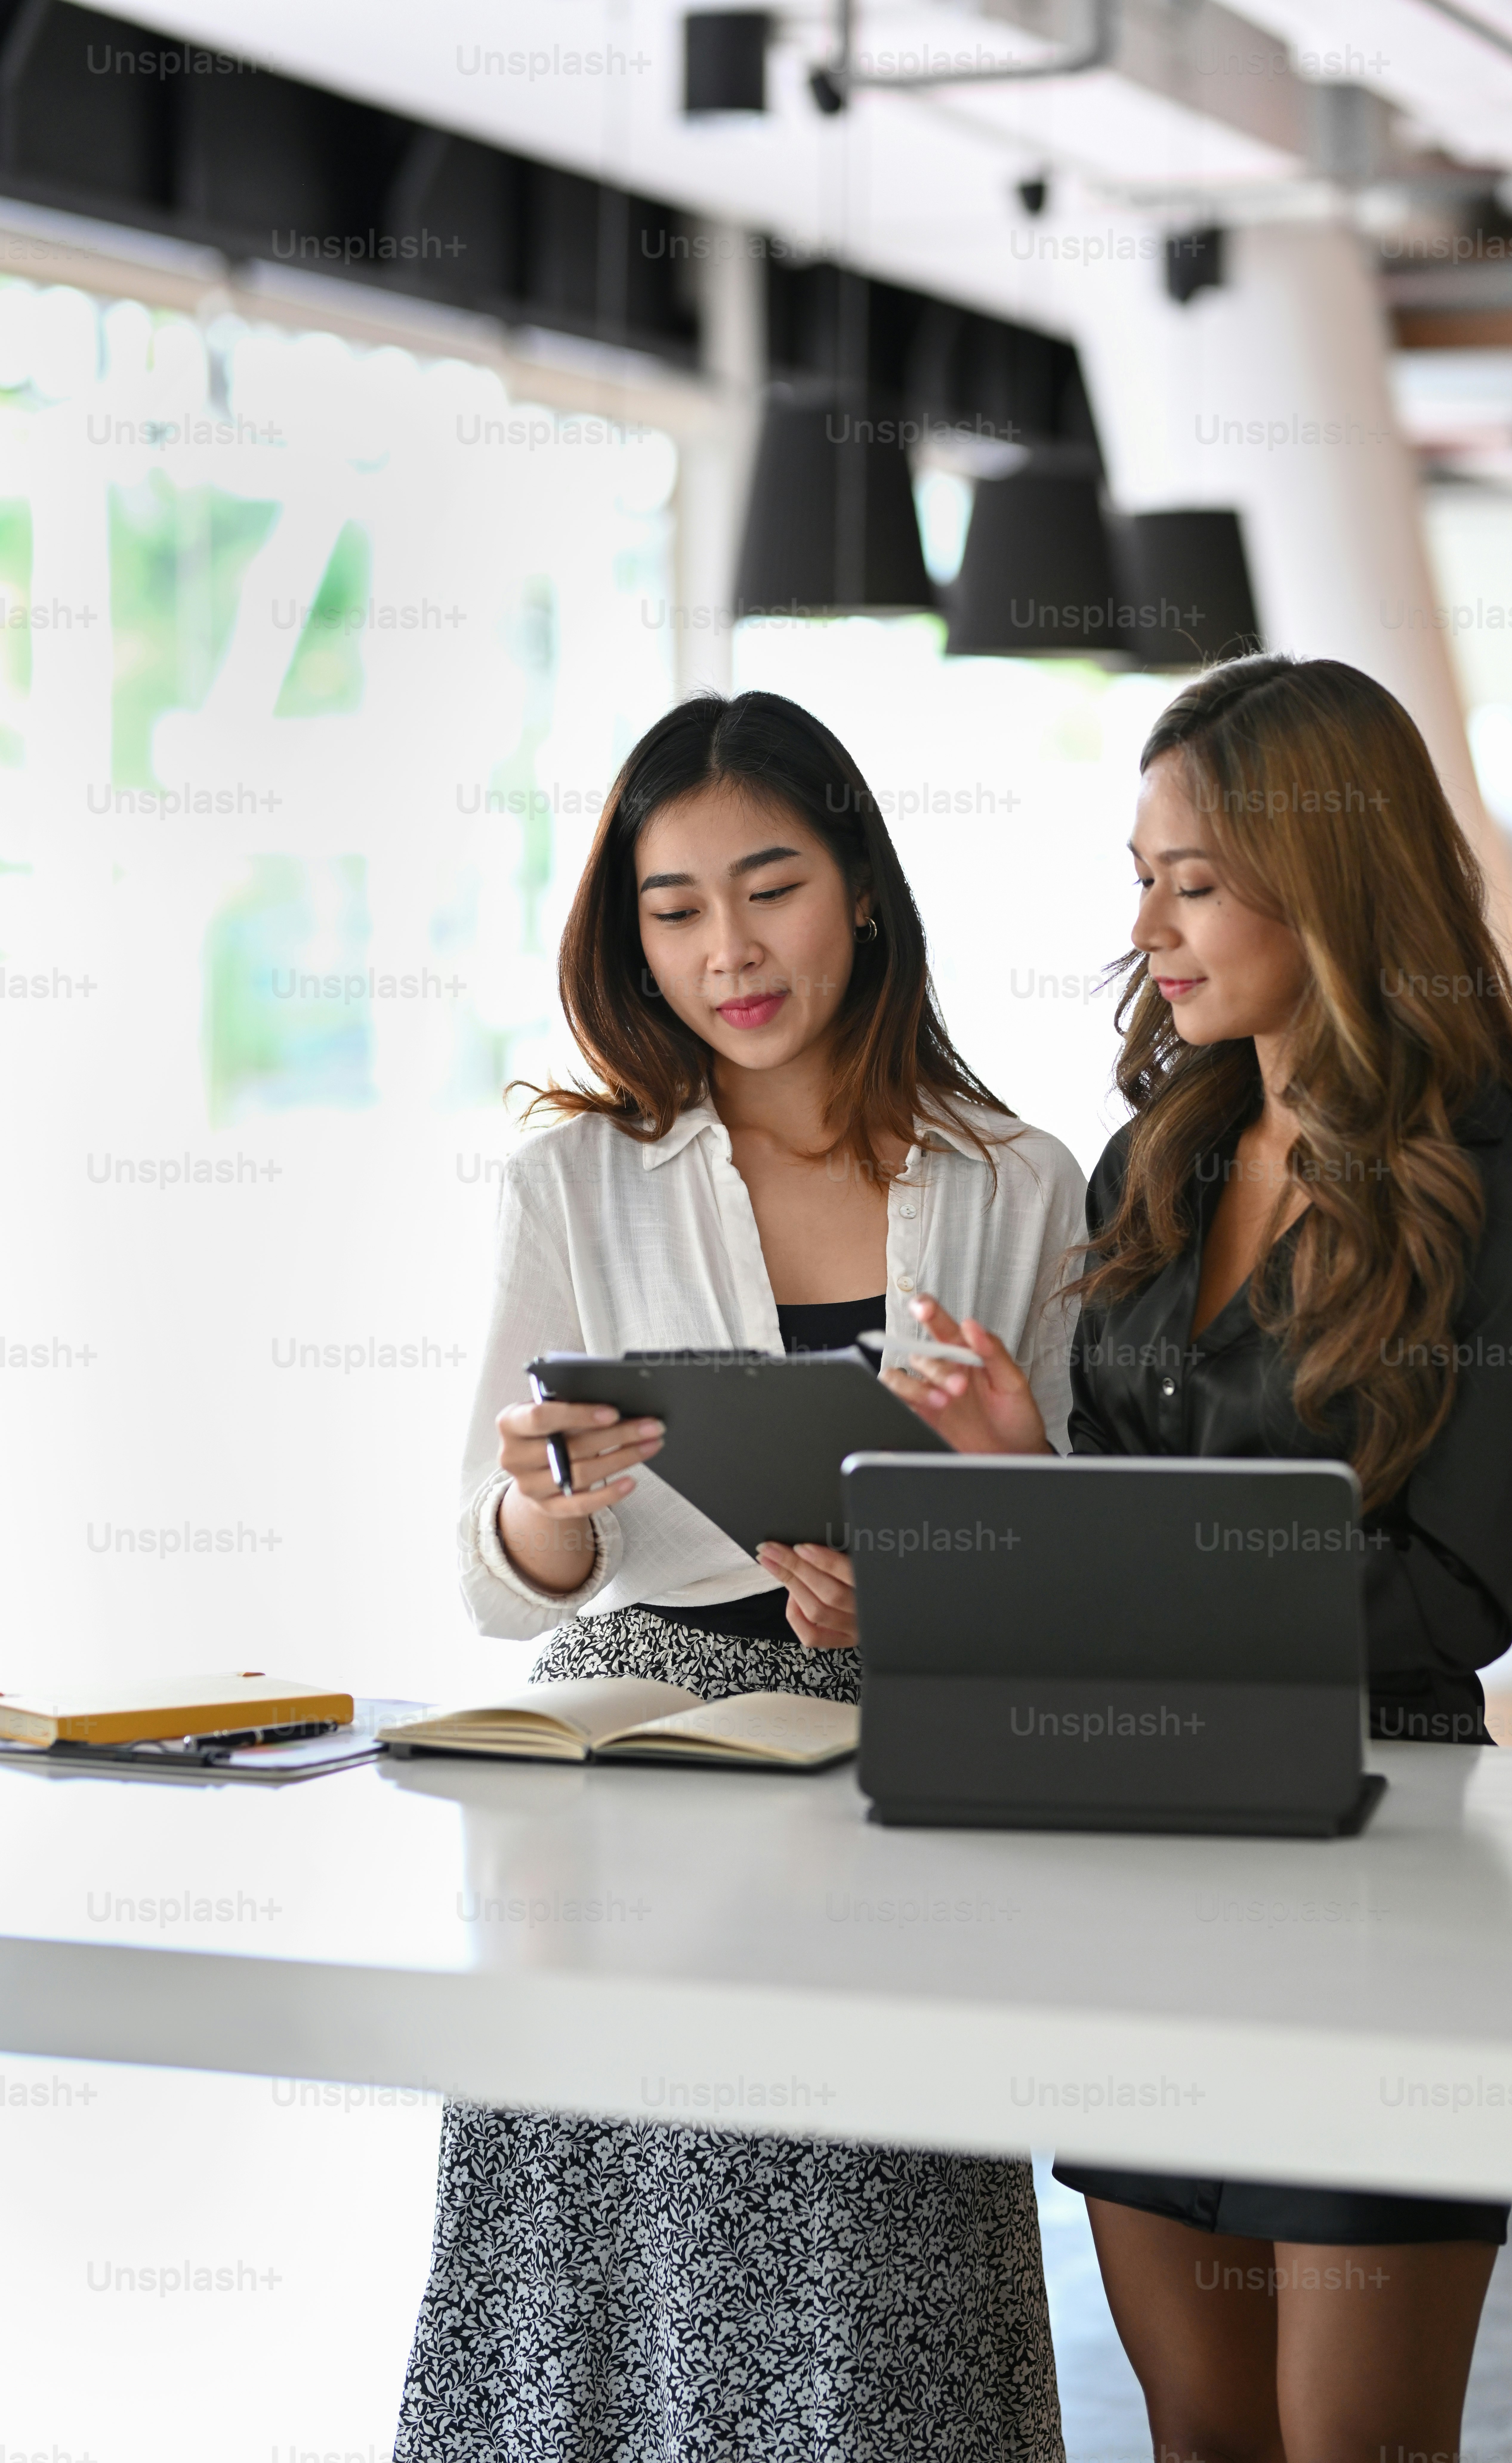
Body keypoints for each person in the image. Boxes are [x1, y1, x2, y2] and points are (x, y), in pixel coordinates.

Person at [886, 654, 1512, 2463]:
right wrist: (1014, 1473)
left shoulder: (1506, 1204)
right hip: (1143, 1878)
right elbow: (1120, 1516)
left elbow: (1458, 1596)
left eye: (1191, 881)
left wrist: (1141, 1580)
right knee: (1200, 2439)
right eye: (1143, 875)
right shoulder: (1163, 1155)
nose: (1147, 926)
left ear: (1332, 882)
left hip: (1382, 1887)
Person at [396, 689, 1086, 2463]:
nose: (730, 949)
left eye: (768, 886)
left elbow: (1086, 1530)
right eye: (674, 907)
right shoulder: (576, 1178)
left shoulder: (1022, 1183)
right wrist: (549, 1503)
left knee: (877, 2262)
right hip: (631, 1758)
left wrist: (936, 1576)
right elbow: (508, 1572)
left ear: (859, 885)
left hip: (892, 1762)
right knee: (612, 2273)